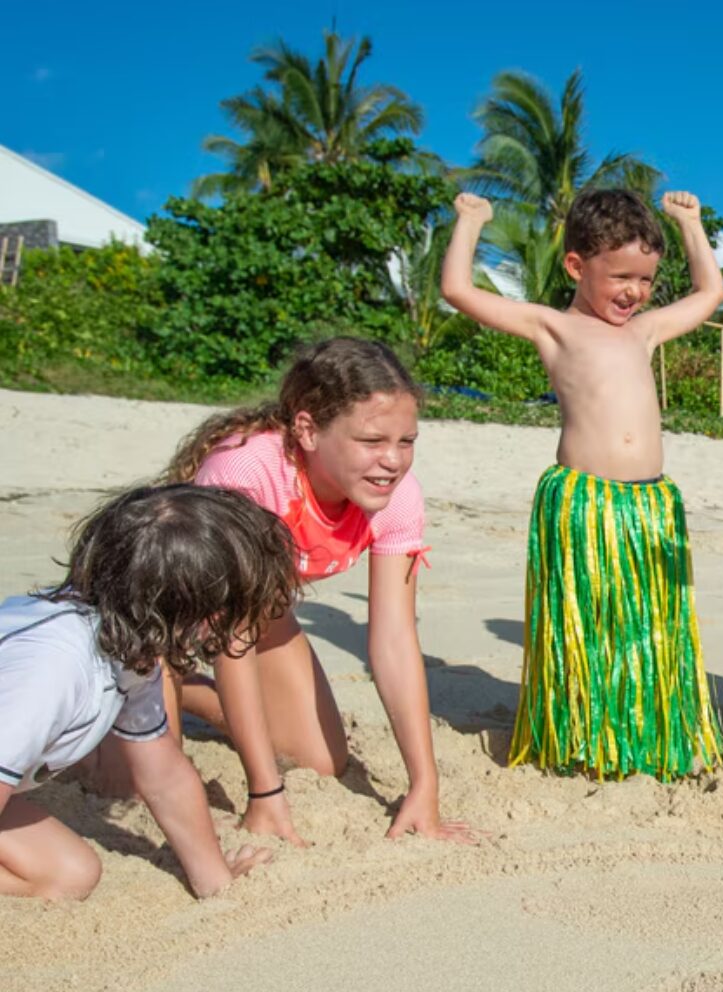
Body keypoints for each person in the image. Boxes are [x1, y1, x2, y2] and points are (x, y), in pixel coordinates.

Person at [441, 188, 723, 780]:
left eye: (646, 280)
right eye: (621, 276)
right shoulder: (553, 327)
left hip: (650, 507)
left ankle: (648, 735)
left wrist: (690, 224)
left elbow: (710, 293)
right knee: (591, 628)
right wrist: (471, 222)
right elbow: (458, 291)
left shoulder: (644, 332)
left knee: (650, 633)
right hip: (584, 505)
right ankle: (585, 735)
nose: (635, 292)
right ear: (576, 265)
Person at [155, 338, 471, 845]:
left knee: (322, 761)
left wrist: (424, 785)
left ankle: (188, 692)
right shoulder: (247, 475)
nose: (392, 460)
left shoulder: (395, 497)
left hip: (256, 611)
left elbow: (393, 640)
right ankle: (155, 683)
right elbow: (228, 638)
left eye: (406, 441)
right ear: (307, 430)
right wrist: (264, 792)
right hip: (156, 620)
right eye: (372, 441)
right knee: (142, 775)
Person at [1, 486, 293, 899]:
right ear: (204, 615)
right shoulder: (53, 670)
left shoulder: (130, 646)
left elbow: (164, 775)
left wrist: (217, 884)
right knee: (65, 877)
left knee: (71, 871)